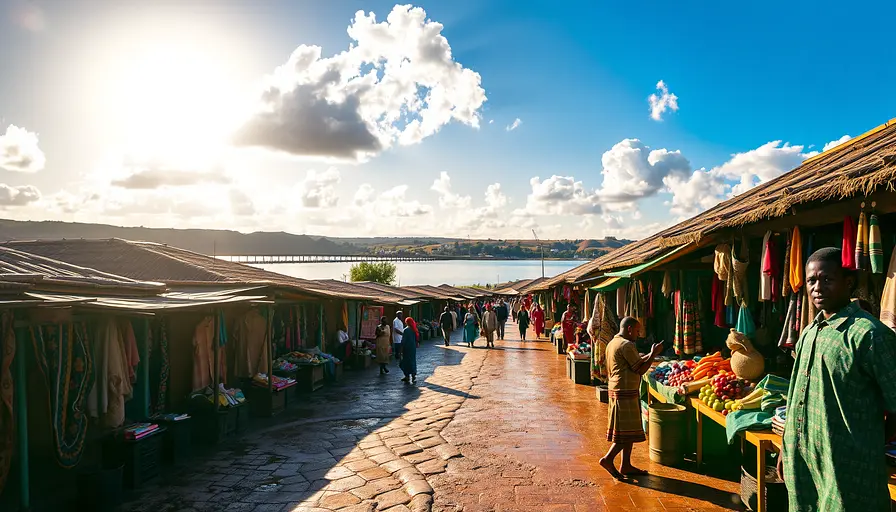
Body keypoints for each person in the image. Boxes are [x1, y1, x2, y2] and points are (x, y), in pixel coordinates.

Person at [778, 247, 896, 512]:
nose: (818, 287)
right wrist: (788, 447)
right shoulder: (809, 333)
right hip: (805, 461)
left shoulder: (868, 335)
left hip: (848, 466)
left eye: (827, 279)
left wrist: (875, 439)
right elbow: (797, 394)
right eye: (811, 280)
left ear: (848, 283)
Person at [600, 317, 663, 479]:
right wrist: (654, 354)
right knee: (624, 434)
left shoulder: (613, 343)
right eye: (636, 331)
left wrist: (648, 354)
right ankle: (608, 459)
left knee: (629, 431)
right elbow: (640, 369)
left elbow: (631, 363)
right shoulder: (626, 345)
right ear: (629, 329)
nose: (638, 334)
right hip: (624, 391)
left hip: (619, 389)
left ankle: (625, 465)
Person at [400, 317, 421, 383]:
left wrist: (401, 349)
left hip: (407, 348)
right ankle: (413, 374)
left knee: (405, 362)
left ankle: (407, 376)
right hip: (413, 347)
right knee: (412, 360)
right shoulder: (414, 329)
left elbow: (403, 341)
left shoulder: (406, 330)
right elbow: (417, 339)